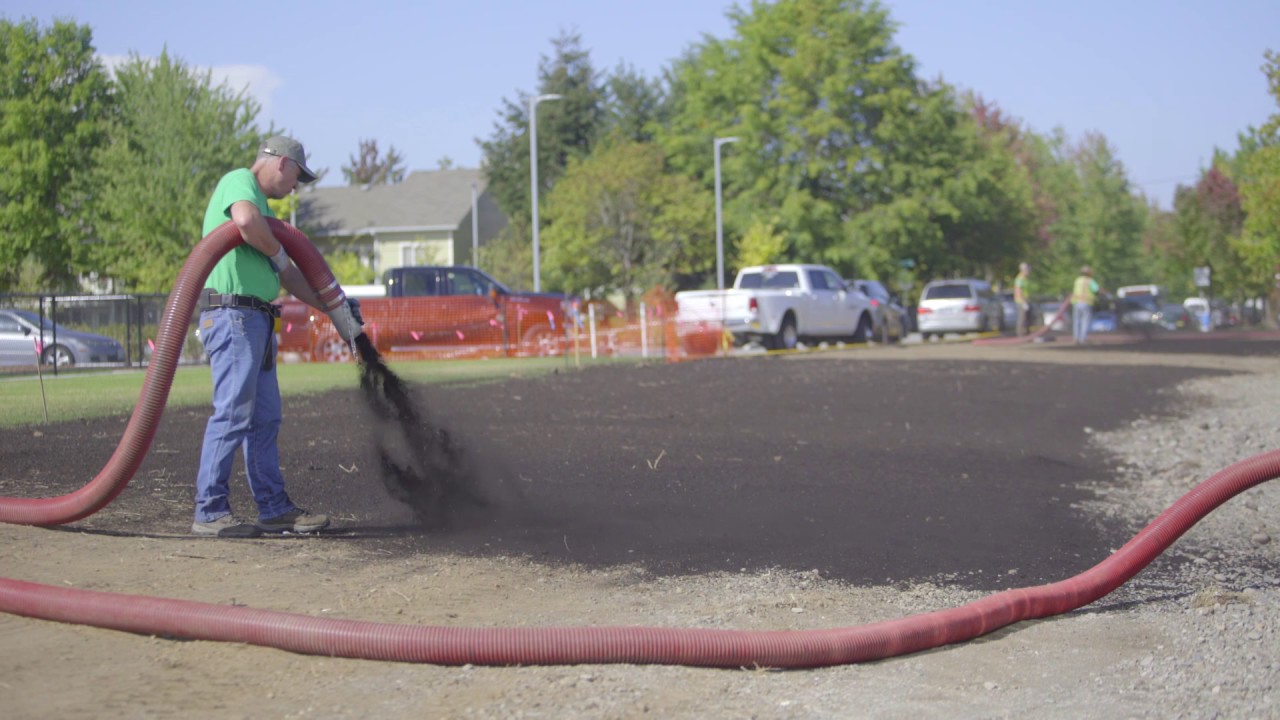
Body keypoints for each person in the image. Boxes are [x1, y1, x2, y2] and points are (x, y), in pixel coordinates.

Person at [192, 136, 363, 537]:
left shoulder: (267, 214)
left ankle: (273, 508)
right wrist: (277, 254)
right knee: (234, 412)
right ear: (281, 163)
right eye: (297, 178)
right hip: (233, 315)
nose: (296, 188)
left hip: (256, 319)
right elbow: (247, 223)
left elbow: (288, 274)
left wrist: (333, 309)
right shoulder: (240, 182)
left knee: (265, 419)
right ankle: (209, 510)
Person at [1070, 265, 1099, 345]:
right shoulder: (1090, 281)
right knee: (1085, 321)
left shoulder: (1077, 280)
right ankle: (1083, 338)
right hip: (1086, 302)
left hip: (1076, 302)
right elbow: (1096, 289)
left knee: (1076, 321)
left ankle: (1076, 338)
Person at [1013, 262, 1032, 336]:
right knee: (1022, 318)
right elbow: (1018, 291)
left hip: (1026, 300)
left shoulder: (1025, 278)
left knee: (1028, 318)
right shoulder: (1019, 279)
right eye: (1027, 270)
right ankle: (1020, 334)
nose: (1029, 271)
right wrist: (1024, 302)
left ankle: (1027, 334)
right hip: (1021, 301)